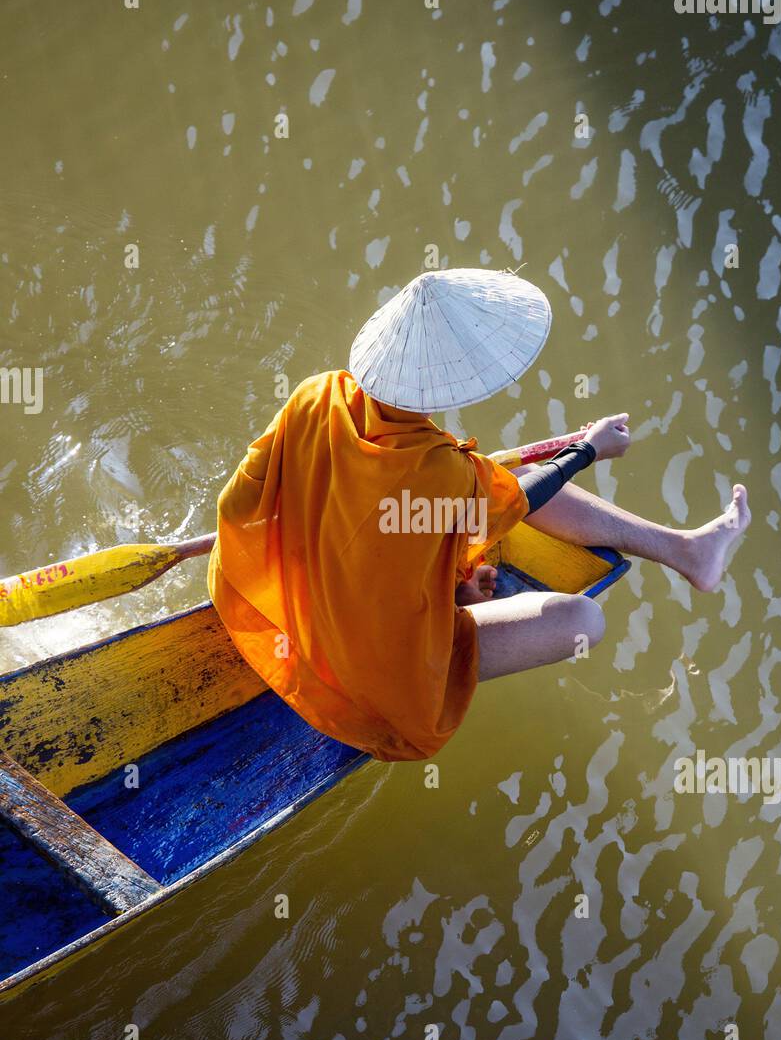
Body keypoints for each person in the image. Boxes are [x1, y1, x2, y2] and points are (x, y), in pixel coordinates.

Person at [208, 268, 749, 762]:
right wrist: (586, 451)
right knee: (586, 621)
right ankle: (687, 552)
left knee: (491, 483)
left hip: (273, 617)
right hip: (370, 692)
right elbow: (506, 502)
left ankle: (686, 550)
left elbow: (239, 504)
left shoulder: (315, 395)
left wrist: (447, 577)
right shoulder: (444, 473)